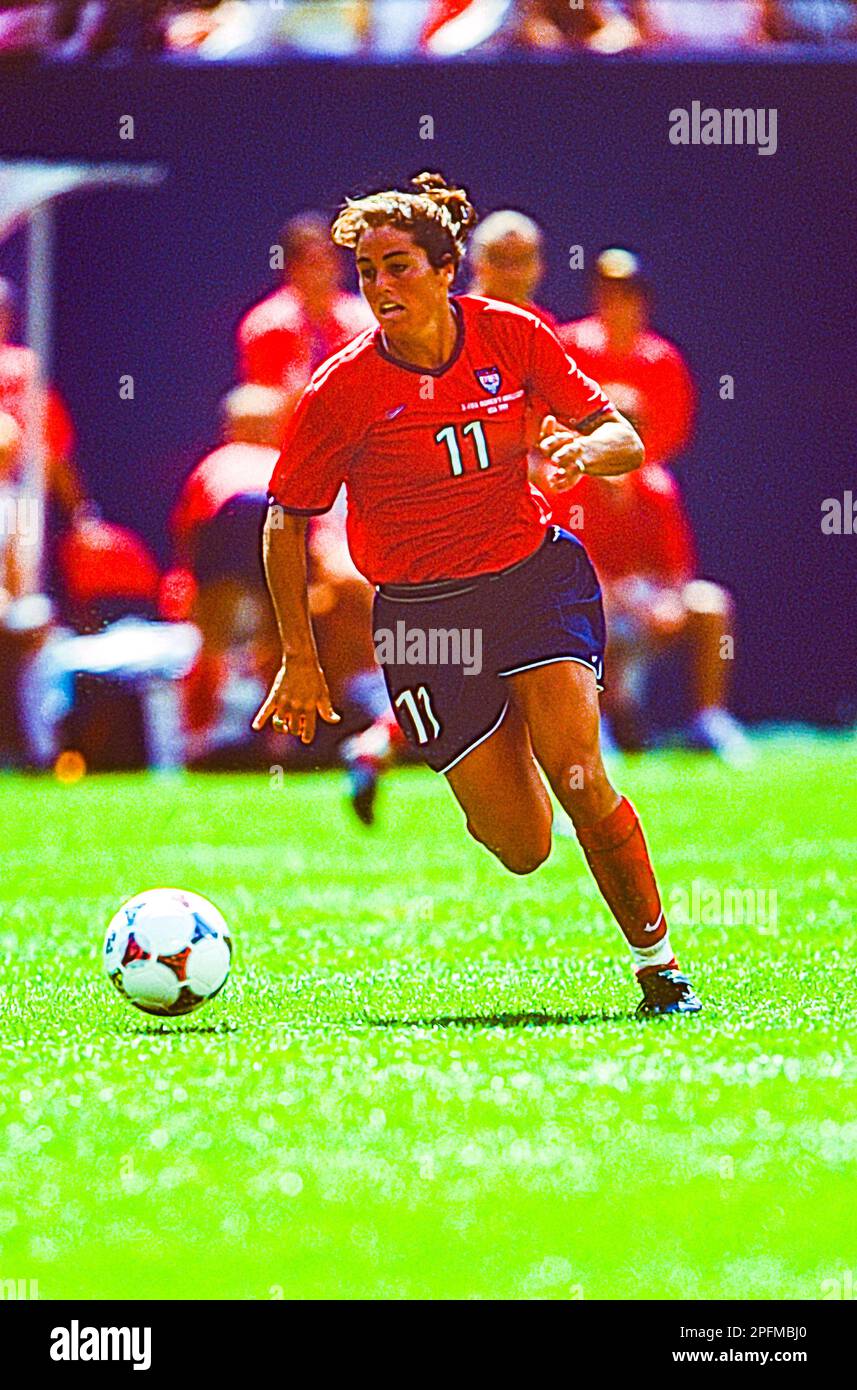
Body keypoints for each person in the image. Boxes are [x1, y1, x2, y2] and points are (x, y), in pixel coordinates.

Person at [253, 171, 701, 1017]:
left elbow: (620, 435)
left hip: (531, 580)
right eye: (367, 271)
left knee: (576, 769)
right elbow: (285, 520)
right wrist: (301, 658)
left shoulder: (512, 334)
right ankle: (484, 740)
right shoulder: (341, 386)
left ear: (444, 268)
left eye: (397, 266)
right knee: (523, 846)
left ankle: (658, 967)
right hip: (422, 621)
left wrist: (581, 453)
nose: (380, 286)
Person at [545, 463, 751, 763]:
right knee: (585, 612)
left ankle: (709, 721)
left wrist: (665, 603)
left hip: (652, 607)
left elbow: (677, 569)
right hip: (601, 611)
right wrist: (629, 602)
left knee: (711, 604)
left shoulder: (657, 488)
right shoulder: (569, 490)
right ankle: (595, 730)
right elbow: (577, 571)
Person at [558, 248, 695, 476]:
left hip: (636, 472)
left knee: (659, 487)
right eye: (608, 294)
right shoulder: (568, 345)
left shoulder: (663, 360)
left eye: (627, 295)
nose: (617, 304)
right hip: (574, 463)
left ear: (643, 300)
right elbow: (546, 415)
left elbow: (672, 434)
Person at [236, 211, 373, 403]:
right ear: (291, 269)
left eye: (328, 260)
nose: (323, 272)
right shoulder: (264, 326)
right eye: (311, 263)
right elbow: (263, 402)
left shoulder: (363, 322)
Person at [467, 208, 558, 329]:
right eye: (500, 260)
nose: (511, 273)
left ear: (539, 266)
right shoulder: (457, 322)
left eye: (522, 260)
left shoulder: (543, 326)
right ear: (476, 262)